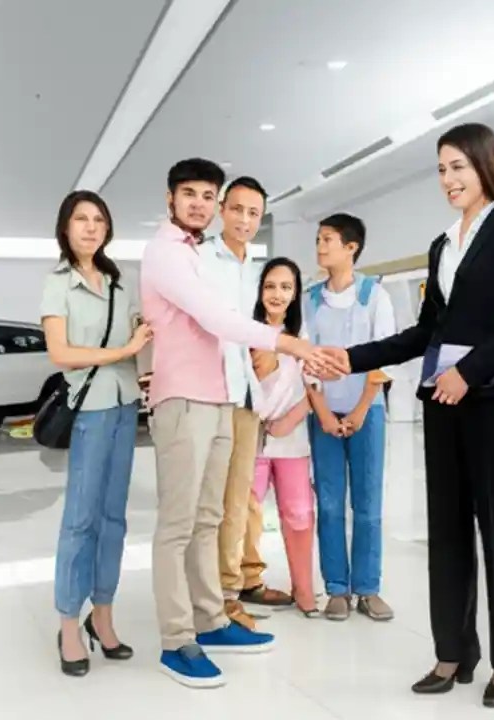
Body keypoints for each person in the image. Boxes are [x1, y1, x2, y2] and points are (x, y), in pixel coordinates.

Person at [314, 123, 494, 709]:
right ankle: (453, 651)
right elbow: (427, 332)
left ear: (484, 166)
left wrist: (468, 371)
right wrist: (350, 357)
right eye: (442, 169)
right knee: (446, 532)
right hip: (442, 404)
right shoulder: (443, 244)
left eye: (458, 167)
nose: (448, 179)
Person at [140, 158, 335, 688]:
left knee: (209, 518)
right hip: (184, 397)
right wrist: (292, 342)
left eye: (208, 194)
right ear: (170, 199)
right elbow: (217, 318)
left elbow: (227, 322)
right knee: (178, 524)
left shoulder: (198, 252)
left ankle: (211, 619)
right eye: (191, 195)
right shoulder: (166, 254)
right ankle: (176, 639)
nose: (200, 204)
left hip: (223, 395)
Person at [40, 190, 152, 678]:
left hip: (126, 407)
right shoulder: (57, 284)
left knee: (114, 519)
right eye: (80, 219)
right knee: (79, 519)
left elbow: (140, 344)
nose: (90, 227)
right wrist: (125, 348)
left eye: (99, 219)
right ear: (65, 228)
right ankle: (68, 622)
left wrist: (141, 355)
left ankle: (101, 614)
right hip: (89, 411)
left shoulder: (119, 284)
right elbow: (61, 355)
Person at [202, 177, 293, 629]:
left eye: (253, 213)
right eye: (236, 209)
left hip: (244, 397)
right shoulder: (202, 259)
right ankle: (216, 597)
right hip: (207, 394)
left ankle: (228, 590)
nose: (244, 219)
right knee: (212, 504)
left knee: (239, 502)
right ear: (222, 209)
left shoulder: (251, 270)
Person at [303, 213, 396, 622]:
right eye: (319, 239)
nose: (321, 246)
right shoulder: (309, 300)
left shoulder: (375, 295)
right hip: (323, 412)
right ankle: (336, 589)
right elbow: (304, 361)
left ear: (351, 247)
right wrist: (323, 412)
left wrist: (359, 411)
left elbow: (383, 358)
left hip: (367, 411)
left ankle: (368, 588)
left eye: (328, 240)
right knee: (328, 502)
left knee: (368, 503)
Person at [249, 257, 319, 617]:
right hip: (252, 438)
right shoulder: (247, 331)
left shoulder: (303, 336)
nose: (277, 294)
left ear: (295, 294)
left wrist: (290, 420)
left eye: (286, 287)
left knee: (299, 513)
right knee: (246, 515)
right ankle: (242, 585)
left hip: (291, 439)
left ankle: (304, 588)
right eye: (270, 286)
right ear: (259, 290)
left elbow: (314, 387)